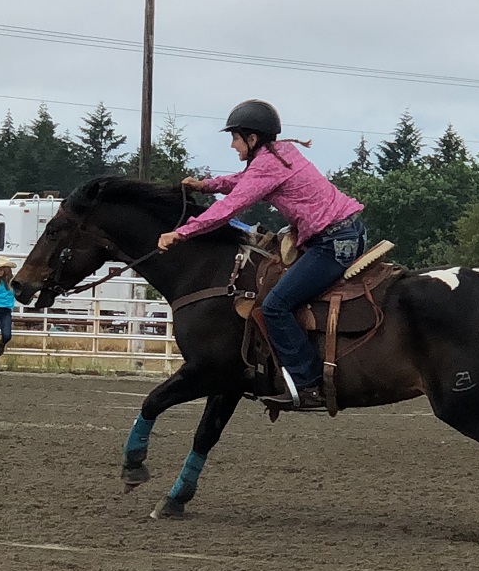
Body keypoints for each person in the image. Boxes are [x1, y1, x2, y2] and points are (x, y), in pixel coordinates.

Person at [156, 99, 366, 410]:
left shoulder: (269, 164)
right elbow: (243, 181)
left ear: (252, 139)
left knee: (275, 306)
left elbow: (230, 207)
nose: (232, 145)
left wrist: (181, 233)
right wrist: (206, 184)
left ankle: (309, 385)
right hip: (344, 234)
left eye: (235, 138)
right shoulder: (280, 155)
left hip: (332, 243)